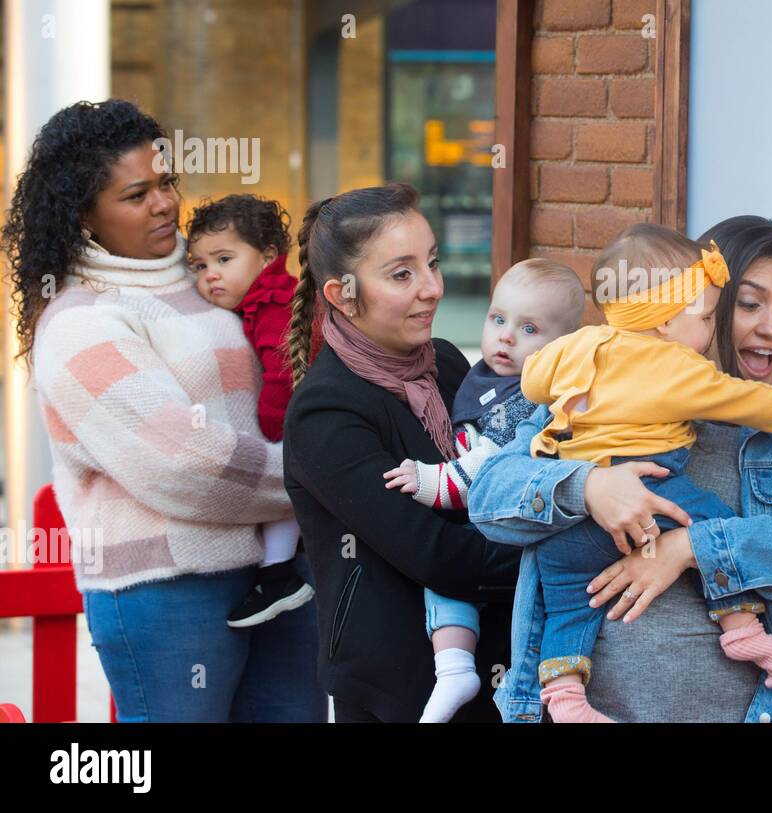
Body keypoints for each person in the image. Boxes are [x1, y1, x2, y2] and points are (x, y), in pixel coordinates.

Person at [471, 215, 772, 723]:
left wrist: (689, 548)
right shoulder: (593, 394)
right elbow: (487, 497)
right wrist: (589, 486)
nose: (771, 327)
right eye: (749, 304)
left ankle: (742, 632)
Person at [4, 99, 324, 721]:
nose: (164, 204)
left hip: (280, 569)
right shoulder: (79, 320)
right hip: (166, 589)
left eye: (166, 181)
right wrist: (321, 475)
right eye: (136, 195)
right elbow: (184, 463)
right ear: (83, 214)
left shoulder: (214, 270)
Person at [281, 184, 521, 722]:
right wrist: (566, 552)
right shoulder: (325, 412)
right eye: (401, 274)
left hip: (497, 668)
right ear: (343, 296)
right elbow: (435, 553)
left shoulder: (447, 364)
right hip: (400, 691)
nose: (433, 288)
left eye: (432, 263)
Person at [380, 257, 585, 722]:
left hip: (512, 521)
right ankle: (454, 668)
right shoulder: (486, 378)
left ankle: (457, 669)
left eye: (529, 329)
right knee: (447, 578)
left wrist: (429, 480)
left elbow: (486, 468)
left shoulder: (532, 399)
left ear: (563, 347)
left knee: (448, 572)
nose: (506, 336)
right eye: (498, 319)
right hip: (488, 521)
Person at [186, 194, 314, 627]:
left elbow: (283, 368)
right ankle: (278, 574)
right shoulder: (258, 300)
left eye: (224, 259)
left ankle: (278, 576)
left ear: (268, 256)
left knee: (289, 490)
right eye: (200, 265)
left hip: (299, 421)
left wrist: (272, 427)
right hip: (302, 421)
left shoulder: (275, 302)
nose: (211, 274)